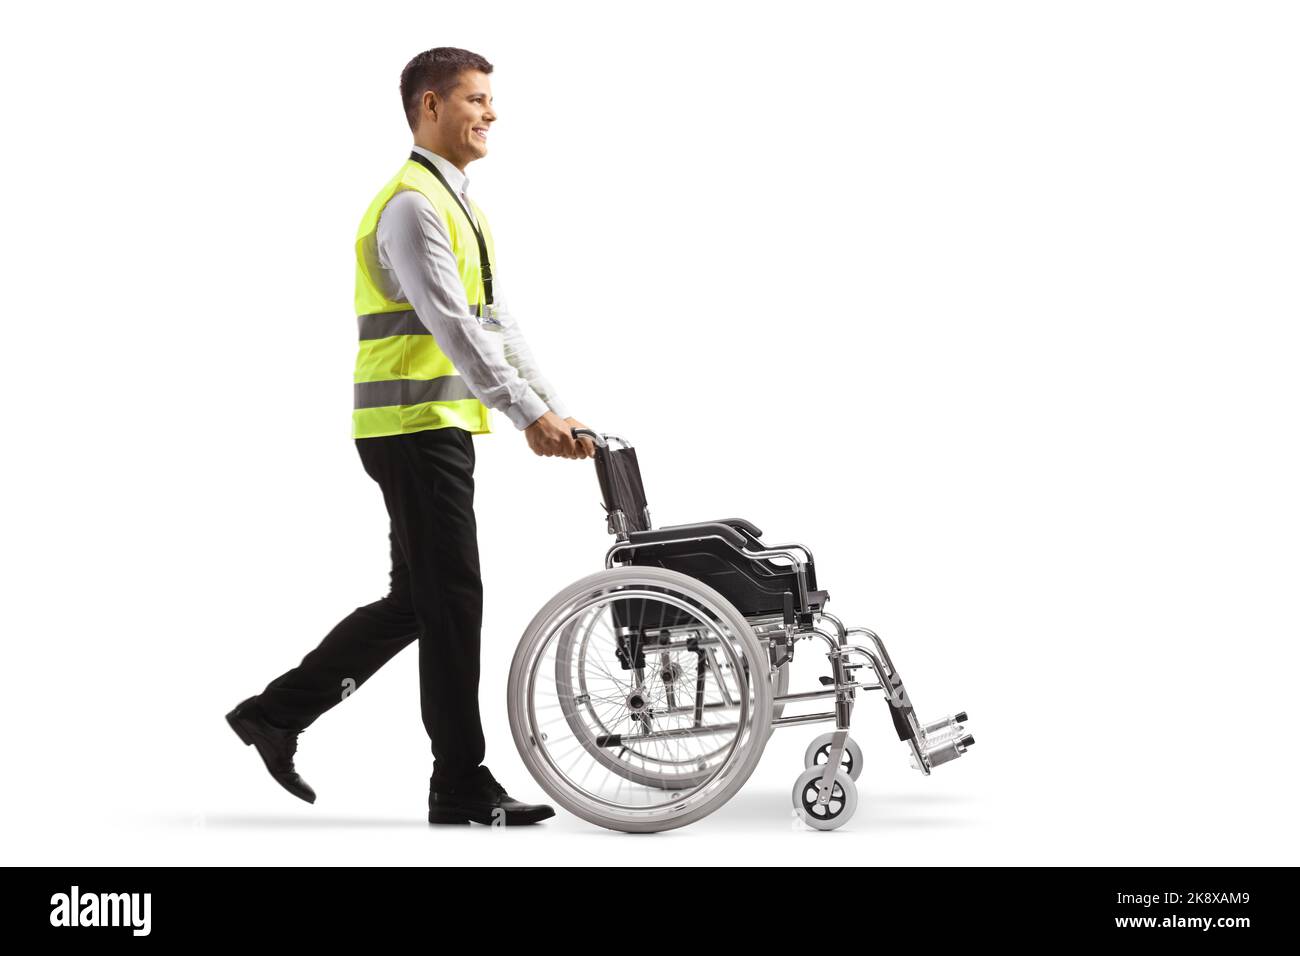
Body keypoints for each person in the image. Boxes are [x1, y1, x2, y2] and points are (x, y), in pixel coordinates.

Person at [226, 46, 593, 826]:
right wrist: (528, 415)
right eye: (475, 99)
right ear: (430, 107)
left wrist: (554, 404)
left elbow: (497, 319)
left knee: (421, 600)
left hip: (434, 425)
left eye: (491, 100)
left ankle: (274, 714)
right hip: (411, 427)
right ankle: (459, 783)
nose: (491, 113)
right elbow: (452, 328)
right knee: (454, 598)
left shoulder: (457, 204)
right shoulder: (411, 205)